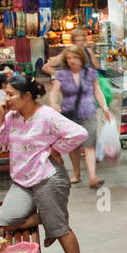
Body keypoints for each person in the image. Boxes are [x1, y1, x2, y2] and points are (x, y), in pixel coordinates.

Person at [0, 74, 93, 253]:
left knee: (59, 228)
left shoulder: (46, 116)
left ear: (27, 96)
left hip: (48, 177)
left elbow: (79, 133)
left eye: (10, 94)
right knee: (7, 221)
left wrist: (57, 148)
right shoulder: (10, 116)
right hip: (22, 180)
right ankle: (45, 215)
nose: (5, 99)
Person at [49, 45, 111, 188]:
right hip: (69, 115)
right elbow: (54, 91)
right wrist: (53, 103)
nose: (72, 61)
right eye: (69, 58)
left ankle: (92, 177)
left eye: (75, 57)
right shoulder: (62, 75)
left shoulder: (90, 73)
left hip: (89, 113)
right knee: (74, 147)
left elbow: (97, 91)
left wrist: (105, 108)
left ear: (81, 58)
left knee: (89, 145)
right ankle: (76, 173)